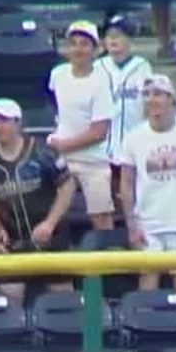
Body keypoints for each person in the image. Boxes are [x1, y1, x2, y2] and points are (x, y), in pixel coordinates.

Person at [116, 75, 176, 294]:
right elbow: (126, 183)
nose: (152, 99)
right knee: (148, 286)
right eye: (147, 94)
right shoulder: (133, 138)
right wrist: (131, 224)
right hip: (147, 224)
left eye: (158, 94)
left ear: (172, 100)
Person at [0, 98, 78, 303]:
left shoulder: (42, 152)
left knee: (63, 296)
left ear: (17, 123)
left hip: (51, 237)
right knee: (11, 297)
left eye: (4, 121)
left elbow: (67, 186)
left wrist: (50, 223)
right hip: (13, 240)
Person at [46, 22, 115, 233]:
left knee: (102, 221)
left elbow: (99, 132)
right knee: (48, 214)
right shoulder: (58, 74)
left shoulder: (102, 81)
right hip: (63, 161)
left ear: (96, 50)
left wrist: (65, 145)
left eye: (84, 44)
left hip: (93, 162)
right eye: (73, 44)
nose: (78, 49)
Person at [99, 16, 152, 170]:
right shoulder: (97, 67)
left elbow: (150, 104)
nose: (113, 40)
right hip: (103, 147)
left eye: (119, 35)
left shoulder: (143, 67)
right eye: (109, 35)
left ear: (130, 40)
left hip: (137, 144)